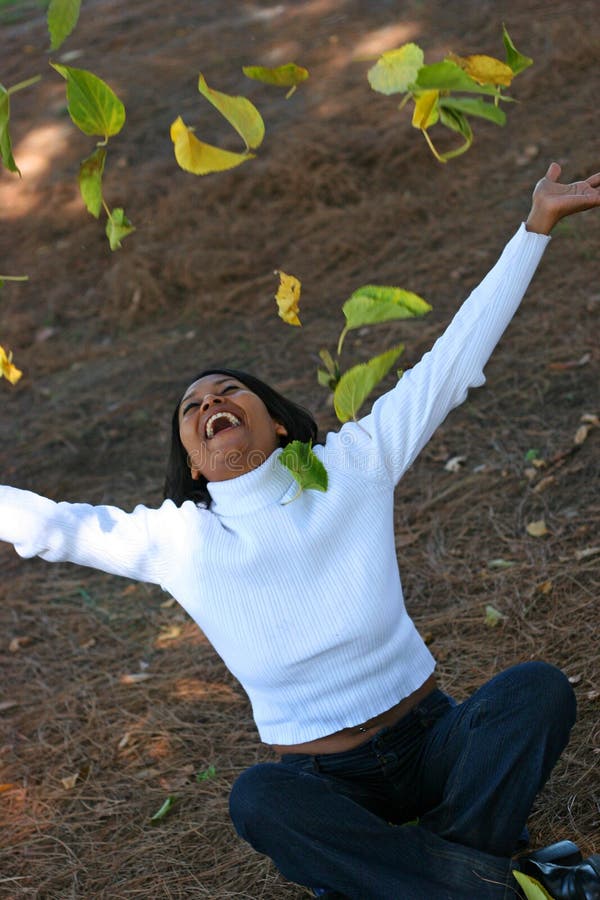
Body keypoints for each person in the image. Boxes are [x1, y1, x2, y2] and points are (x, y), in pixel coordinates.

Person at [1, 163, 599, 900]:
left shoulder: (355, 464)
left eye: (229, 392)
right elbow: (50, 527)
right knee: (259, 800)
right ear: (191, 458)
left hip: (434, 739)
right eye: (193, 408)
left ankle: (426, 881)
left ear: (276, 419)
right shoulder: (180, 540)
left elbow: (451, 362)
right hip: (326, 780)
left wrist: (534, 226)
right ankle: (491, 881)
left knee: (535, 692)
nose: (211, 402)